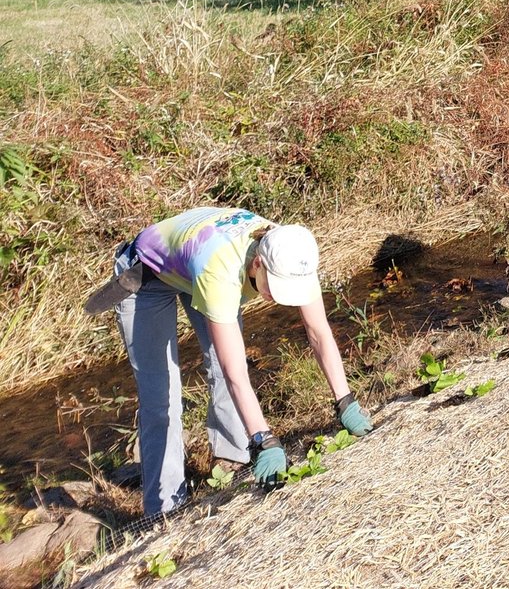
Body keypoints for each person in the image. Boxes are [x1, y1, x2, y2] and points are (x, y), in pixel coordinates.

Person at [90, 208, 374, 517]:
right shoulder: (220, 269)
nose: (281, 298)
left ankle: (232, 461)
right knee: (162, 397)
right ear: (257, 264)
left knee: (220, 364)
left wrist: (345, 401)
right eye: (275, 289)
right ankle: (164, 509)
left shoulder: (293, 253)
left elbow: (318, 332)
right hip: (147, 273)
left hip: (191, 259)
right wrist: (265, 439)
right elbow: (234, 370)